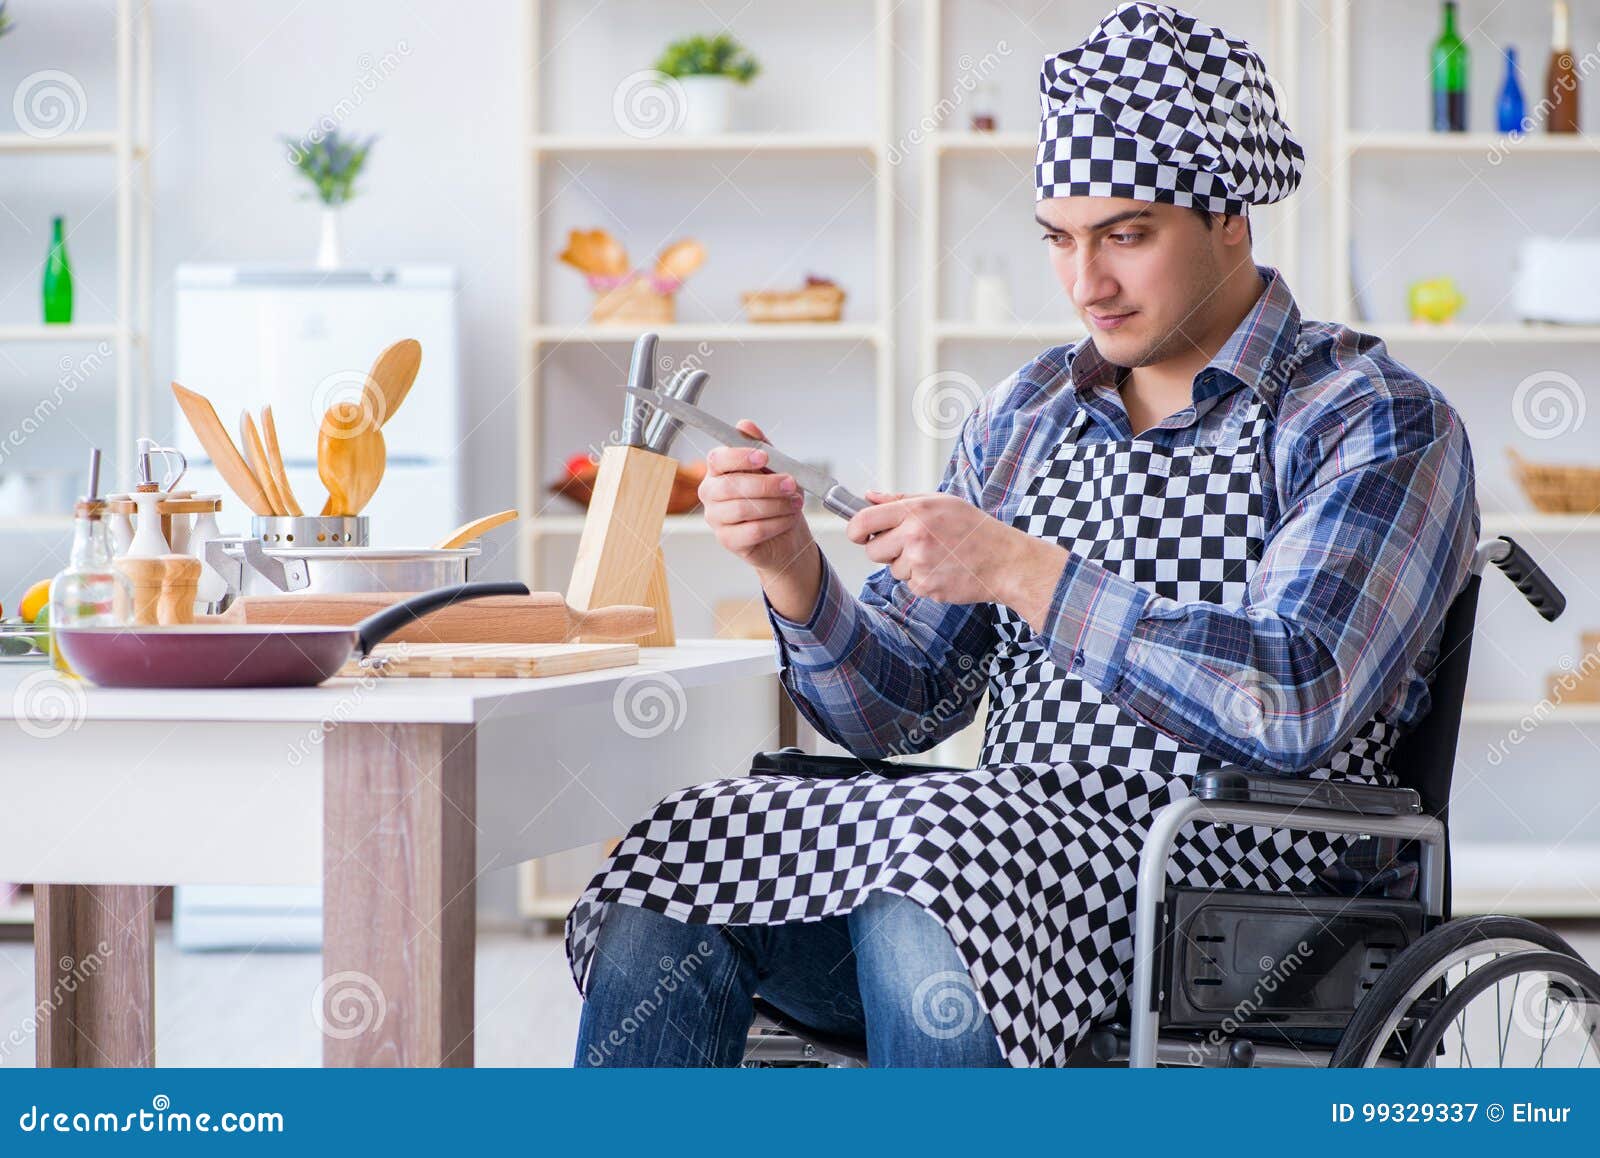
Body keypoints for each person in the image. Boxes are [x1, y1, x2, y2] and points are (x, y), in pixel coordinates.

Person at [566, 1, 1479, 1067]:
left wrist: (1026, 572)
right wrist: (795, 573)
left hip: (1242, 901)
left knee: (936, 883)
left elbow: (1292, 699)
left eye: (1125, 236)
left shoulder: (1369, 418)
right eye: (1059, 238)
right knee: (680, 862)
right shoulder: (1027, 413)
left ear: (1229, 215)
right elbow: (896, 711)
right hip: (1017, 873)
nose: (1085, 282)